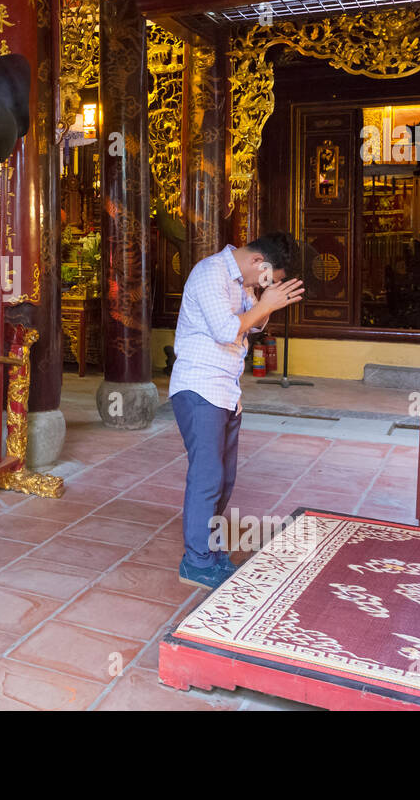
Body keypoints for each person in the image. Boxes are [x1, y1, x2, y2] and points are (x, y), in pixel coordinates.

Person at [170, 232, 304, 590]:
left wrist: (266, 305)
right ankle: (195, 562)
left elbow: (251, 322)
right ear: (259, 264)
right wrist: (265, 304)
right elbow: (228, 330)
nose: (268, 285)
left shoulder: (241, 281)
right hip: (200, 386)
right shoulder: (211, 272)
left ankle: (209, 551)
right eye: (270, 279)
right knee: (207, 475)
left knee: (224, 478)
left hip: (225, 388)